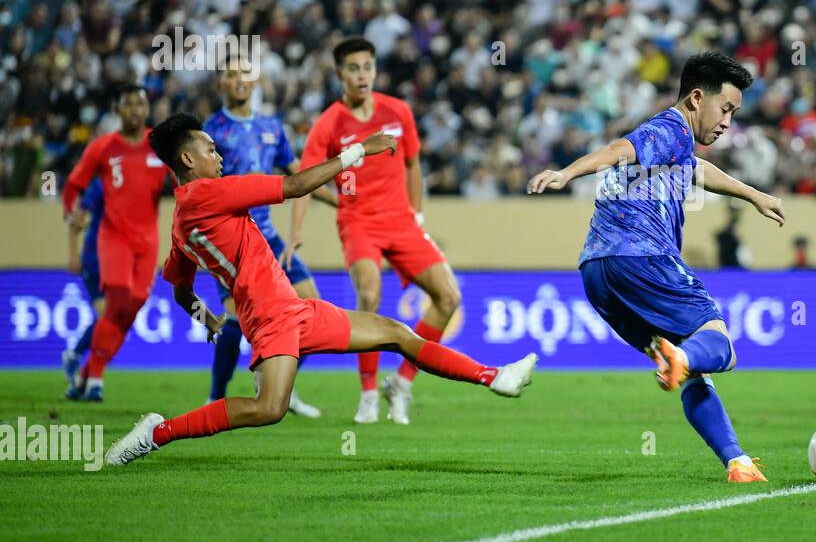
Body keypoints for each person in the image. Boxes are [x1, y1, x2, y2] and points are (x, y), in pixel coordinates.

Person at [105, 114, 536, 467]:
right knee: (269, 409)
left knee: (396, 332)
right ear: (187, 158)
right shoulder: (210, 193)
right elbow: (293, 186)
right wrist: (356, 152)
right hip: (272, 319)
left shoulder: (182, 223)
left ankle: (494, 376)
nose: (218, 155)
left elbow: (180, 289)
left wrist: (211, 321)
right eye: (209, 149)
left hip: (292, 310)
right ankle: (156, 433)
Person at [527, 51, 785, 483]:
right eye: (726, 109)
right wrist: (567, 174)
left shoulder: (678, 144)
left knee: (687, 370)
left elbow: (696, 170)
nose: (727, 122)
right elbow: (619, 150)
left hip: (597, 271)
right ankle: (682, 356)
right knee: (719, 347)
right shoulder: (670, 127)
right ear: (697, 99)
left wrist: (753, 194)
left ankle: (737, 462)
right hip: (644, 258)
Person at [291, 37, 462, 426]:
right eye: (353, 68)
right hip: (359, 224)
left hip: (401, 221)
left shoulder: (398, 111)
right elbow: (303, 179)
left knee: (448, 296)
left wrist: (417, 215)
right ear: (340, 74)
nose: (362, 74)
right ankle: (368, 393)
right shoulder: (329, 123)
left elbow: (413, 163)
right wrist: (296, 231)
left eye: (367, 66)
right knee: (368, 295)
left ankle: (401, 383)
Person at [203, 61, 333, 417]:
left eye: (244, 74)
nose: (238, 81)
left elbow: (297, 176)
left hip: (270, 238)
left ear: (255, 80)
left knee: (312, 309)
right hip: (232, 240)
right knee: (232, 321)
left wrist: (343, 202)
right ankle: (215, 396)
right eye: (230, 75)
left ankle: (282, 389)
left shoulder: (271, 127)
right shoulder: (210, 132)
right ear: (221, 85)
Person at [60, 85, 168, 402]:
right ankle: (95, 379)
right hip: (114, 238)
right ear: (117, 110)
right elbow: (72, 186)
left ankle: (83, 375)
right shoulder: (103, 147)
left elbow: (183, 183)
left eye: (139, 104)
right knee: (117, 304)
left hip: (148, 243)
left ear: (147, 110)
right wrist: (70, 214)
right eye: (127, 104)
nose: (134, 109)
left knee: (129, 312)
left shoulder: (160, 146)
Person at [62, 177, 105, 399]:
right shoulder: (100, 184)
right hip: (95, 259)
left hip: (121, 260)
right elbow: (76, 219)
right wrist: (73, 254)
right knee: (106, 316)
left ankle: (77, 364)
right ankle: (94, 381)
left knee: (114, 319)